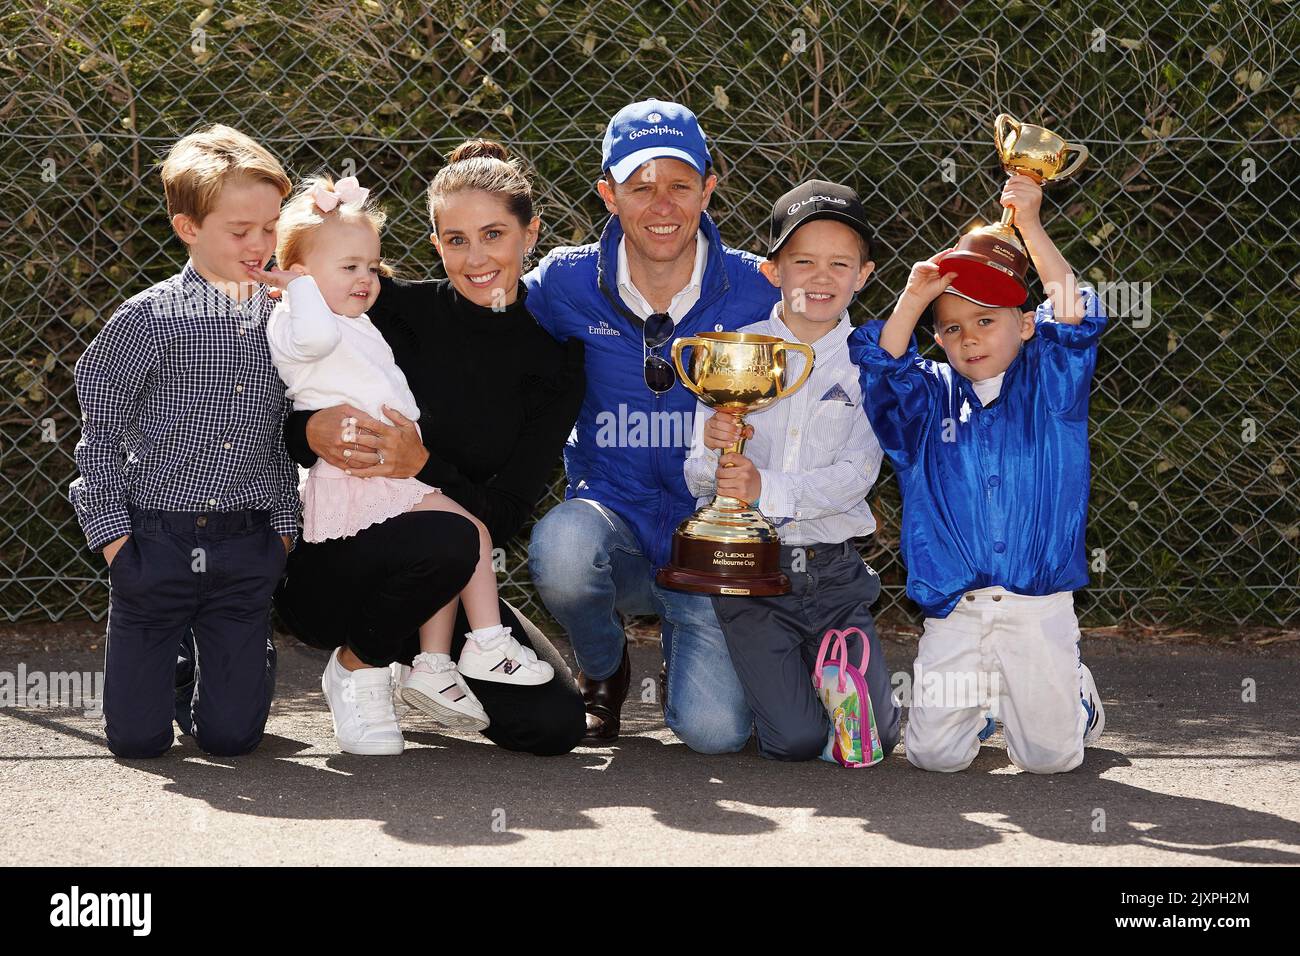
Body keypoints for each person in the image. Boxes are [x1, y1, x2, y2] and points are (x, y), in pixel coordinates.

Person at [273, 140, 586, 757]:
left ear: (531, 233)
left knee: (552, 726)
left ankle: (423, 663)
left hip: (448, 563)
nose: (476, 258)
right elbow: (278, 387)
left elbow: (504, 517)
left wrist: (423, 465)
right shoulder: (378, 304)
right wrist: (307, 431)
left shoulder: (555, 364)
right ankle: (358, 663)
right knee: (442, 540)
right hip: (339, 558)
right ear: (436, 241)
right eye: (456, 239)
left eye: (494, 233)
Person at [523, 99, 781, 748]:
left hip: (712, 537)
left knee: (717, 734)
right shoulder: (565, 281)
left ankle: (691, 637)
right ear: (609, 194)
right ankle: (604, 671)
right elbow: (480, 324)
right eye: (641, 187)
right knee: (562, 553)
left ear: (709, 189)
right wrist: (330, 296)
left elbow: (834, 369)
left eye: (679, 185)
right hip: (615, 516)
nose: (661, 206)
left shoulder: (760, 288)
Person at [849, 173, 1108, 774]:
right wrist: (913, 299)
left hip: (1035, 606)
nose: (968, 338)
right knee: (934, 757)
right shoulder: (927, 402)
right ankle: (989, 703)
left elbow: (1075, 315)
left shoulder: (1051, 387)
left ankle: (1075, 695)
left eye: (987, 320)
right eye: (951, 327)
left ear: (1025, 323)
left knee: (1051, 760)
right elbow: (881, 372)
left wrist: (1033, 226)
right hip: (956, 609)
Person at [67, 124, 298, 758]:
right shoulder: (146, 319)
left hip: (247, 538)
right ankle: (173, 663)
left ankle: (231, 659)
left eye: (270, 227)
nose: (260, 244)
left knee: (231, 738)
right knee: (137, 742)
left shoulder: (291, 321)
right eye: (239, 230)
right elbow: (101, 431)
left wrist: (281, 531)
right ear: (188, 229)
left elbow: (290, 433)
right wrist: (116, 539)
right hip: (154, 537)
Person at [685, 180, 901, 761]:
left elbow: (857, 476)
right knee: (794, 742)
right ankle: (814, 690)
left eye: (839, 263)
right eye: (802, 261)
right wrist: (713, 447)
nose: (821, 277)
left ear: (864, 274)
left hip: (833, 576)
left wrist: (767, 487)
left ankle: (841, 679)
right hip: (755, 579)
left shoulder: (871, 365)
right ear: (772, 270)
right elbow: (699, 481)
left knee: (882, 732)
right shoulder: (736, 356)